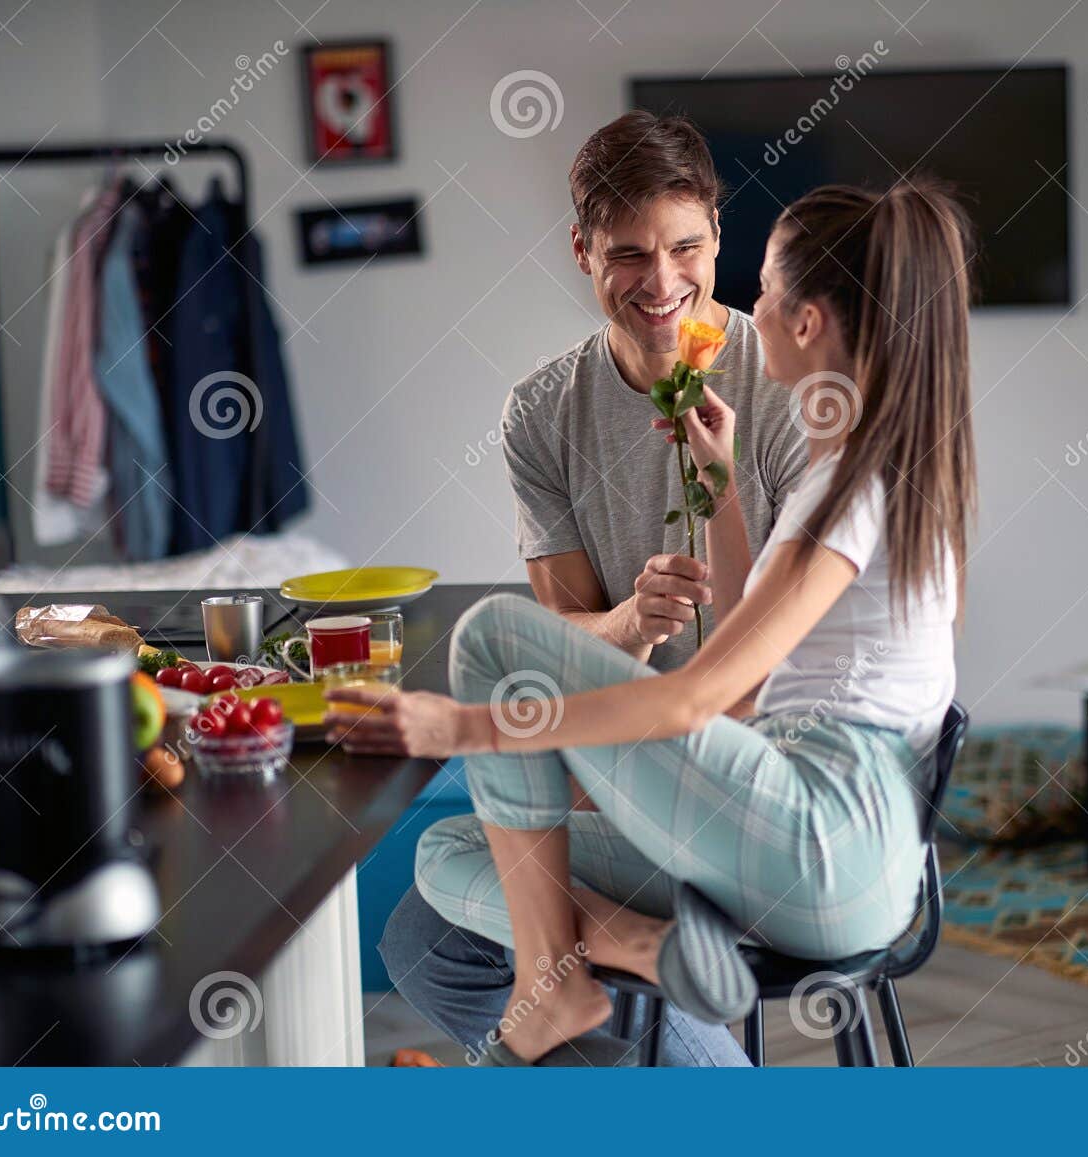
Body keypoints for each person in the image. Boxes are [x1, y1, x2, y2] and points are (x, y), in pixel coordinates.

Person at [333, 177, 977, 1066]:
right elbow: (749, 677)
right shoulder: (885, 470)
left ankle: (560, 983)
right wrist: (718, 489)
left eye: (770, 284)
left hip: (821, 836)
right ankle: (625, 949)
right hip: (831, 847)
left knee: (491, 636)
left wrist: (464, 724)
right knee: (447, 852)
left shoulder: (849, 486)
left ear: (807, 322)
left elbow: (698, 695)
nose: (748, 301)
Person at [373, 111, 805, 1067]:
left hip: (756, 770)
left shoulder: (782, 385)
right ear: (581, 251)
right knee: (421, 941)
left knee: (472, 891)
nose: (663, 282)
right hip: (617, 765)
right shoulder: (540, 412)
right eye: (628, 254)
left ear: (718, 240)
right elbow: (558, 633)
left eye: (686, 246)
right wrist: (627, 624)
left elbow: (805, 649)